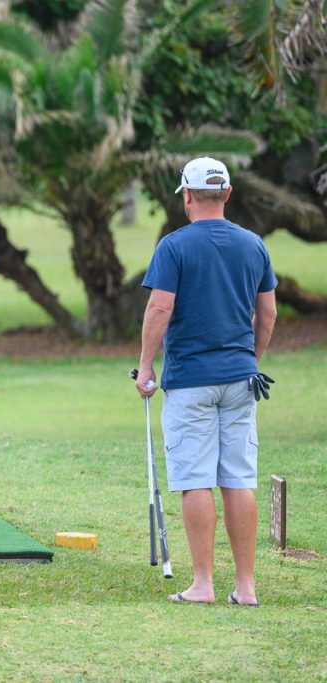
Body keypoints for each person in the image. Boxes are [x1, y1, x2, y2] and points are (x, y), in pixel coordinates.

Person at [136, 157, 277, 607]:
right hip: (240, 380)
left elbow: (160, 309)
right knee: (238, 479)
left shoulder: (174, 246)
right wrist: (249, 360)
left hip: (192, 382)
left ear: (188, 196)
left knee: (195, 479)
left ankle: (203, 584)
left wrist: (145, 366)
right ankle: (247, 588)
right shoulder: (254, 245)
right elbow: (268, 313)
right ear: (228, 194)